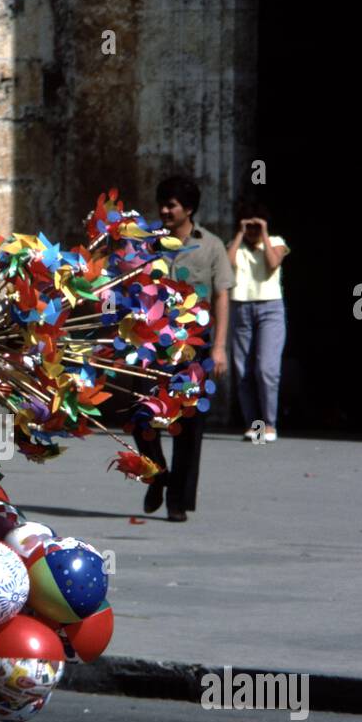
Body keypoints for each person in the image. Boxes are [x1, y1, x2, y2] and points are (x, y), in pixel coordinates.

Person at [136, 174, 234, 522]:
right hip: (153, 347)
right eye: (162, 203)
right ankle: (157, 473)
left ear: (188, 208)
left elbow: (222, 295)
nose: (164, 210)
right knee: (142, 415)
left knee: (189, 425)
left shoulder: (211, 246)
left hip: (196, 347)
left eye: (171, 204)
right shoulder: (149, 244)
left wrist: (219, 348)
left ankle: (177, 500)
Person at [227, 200, 289, 442]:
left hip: (270, 308)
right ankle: (255, 425)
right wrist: (240, 233)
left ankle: (269, 424)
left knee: (266, 368)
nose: (252, 232)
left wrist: (263, 233)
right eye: (249, 227)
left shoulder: (277, 242)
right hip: (240, 306)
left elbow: (273, 264)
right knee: (242, 369)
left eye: (256, 227)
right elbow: (226, 265)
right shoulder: (235, 246)